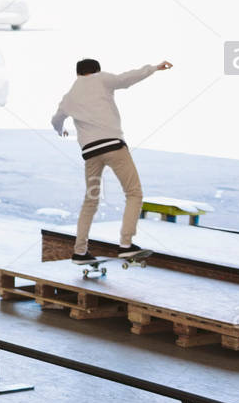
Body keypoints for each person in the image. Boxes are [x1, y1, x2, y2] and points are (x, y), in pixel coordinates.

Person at [51, 57, 173, 262]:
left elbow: (56, 119)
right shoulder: (102, 79)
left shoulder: (69, 96)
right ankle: (125, 244)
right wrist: (153, 68)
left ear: (78, 74)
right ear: (96, 71)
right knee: (134, 193)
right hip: (113, 147)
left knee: (90, 200)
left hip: (90, 154)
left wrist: (61, 129)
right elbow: (128, 78)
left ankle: (79, 251)